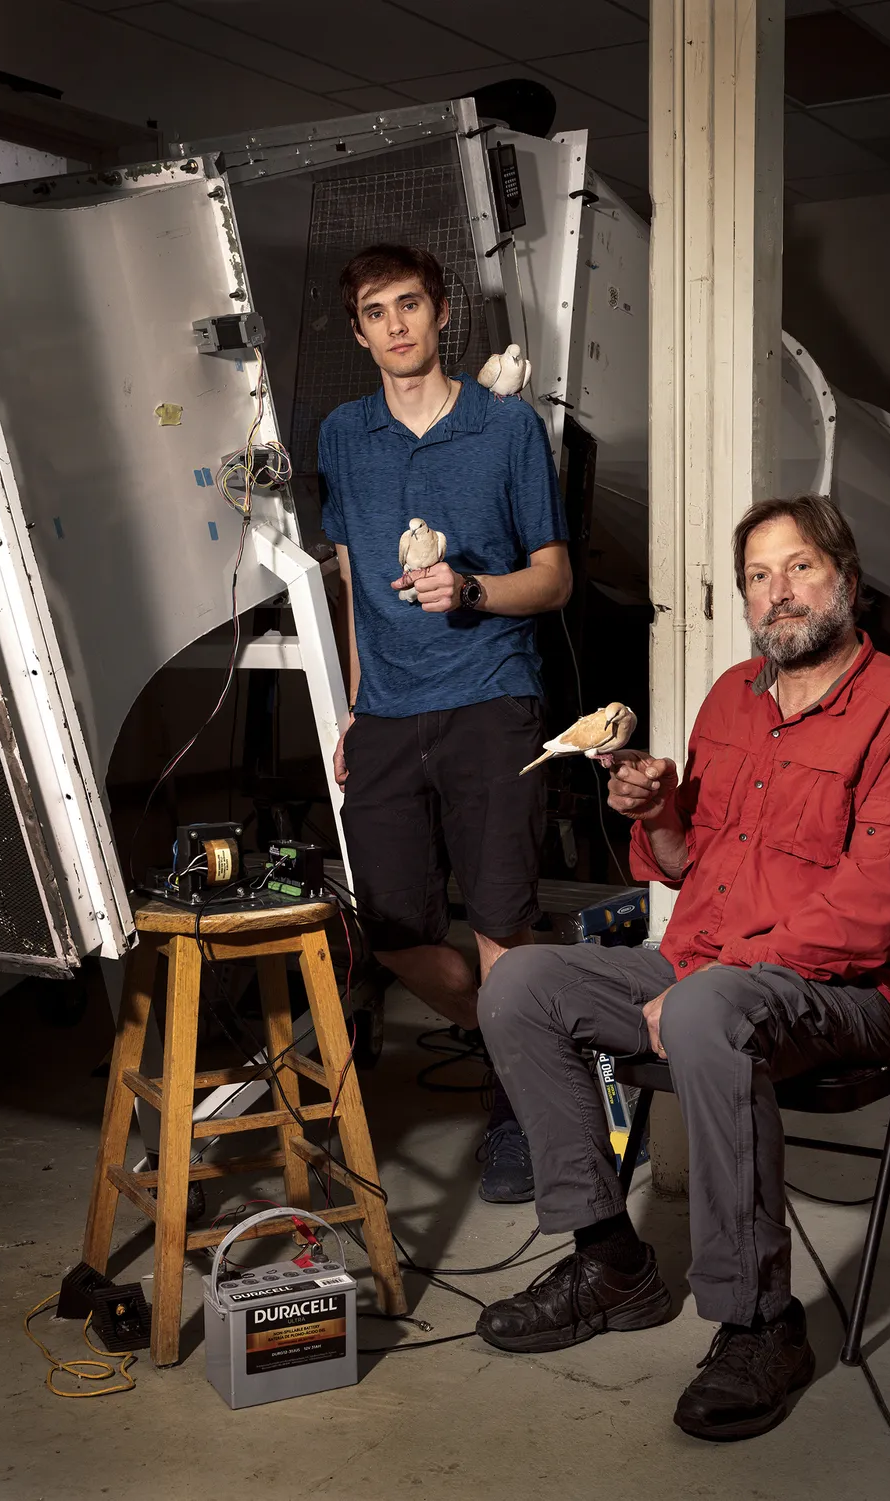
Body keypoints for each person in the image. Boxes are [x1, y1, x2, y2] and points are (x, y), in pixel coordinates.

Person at [477, 493, 890, 1441]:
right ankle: (612, 1261)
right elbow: (686, 864)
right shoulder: (730, 698)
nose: (777, 593)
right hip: (703, 967)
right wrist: (655, 808)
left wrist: (708, 979)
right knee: (519, 984)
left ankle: (760, 1325)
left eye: (799, 568)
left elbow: (869, 916)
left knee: (705, 1011)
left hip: (848, 993)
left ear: (848, 582)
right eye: (756, 576)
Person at [318, 243, 571, 1204]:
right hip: (386, 710)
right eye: (377, 311)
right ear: (360, 332)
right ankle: (524, 1037)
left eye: (410, 305)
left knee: (503, 921)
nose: (396, 325)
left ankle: (517, 1104)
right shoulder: (343, 435)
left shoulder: (505, 429)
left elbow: (554, 578)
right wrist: (352, 701)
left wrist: (469, 588)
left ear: (442, 312)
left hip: (490, 697)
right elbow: (349, 578)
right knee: (387, 928)